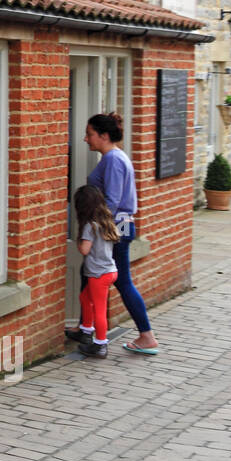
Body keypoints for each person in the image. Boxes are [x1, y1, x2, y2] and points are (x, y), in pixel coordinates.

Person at [82, 111, 159, 354]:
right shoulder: (112, 157)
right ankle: (85, 327)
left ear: (104, 136)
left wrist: (94, 229)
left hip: (115, 227)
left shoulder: (113, 160)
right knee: (91, 278)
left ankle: (146, 335)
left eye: (90, 134)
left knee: (121, 280)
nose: (86, 139)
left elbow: (112, 201)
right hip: (118, 226)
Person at [70, 185, 119, 358]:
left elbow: (84, 250)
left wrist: (77, 242)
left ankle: (100, 344)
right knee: (84, 297)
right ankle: (86, 329)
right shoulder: (107, 221)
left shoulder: (90, 226)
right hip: (110, 271)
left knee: (99, 308)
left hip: (98, 274)